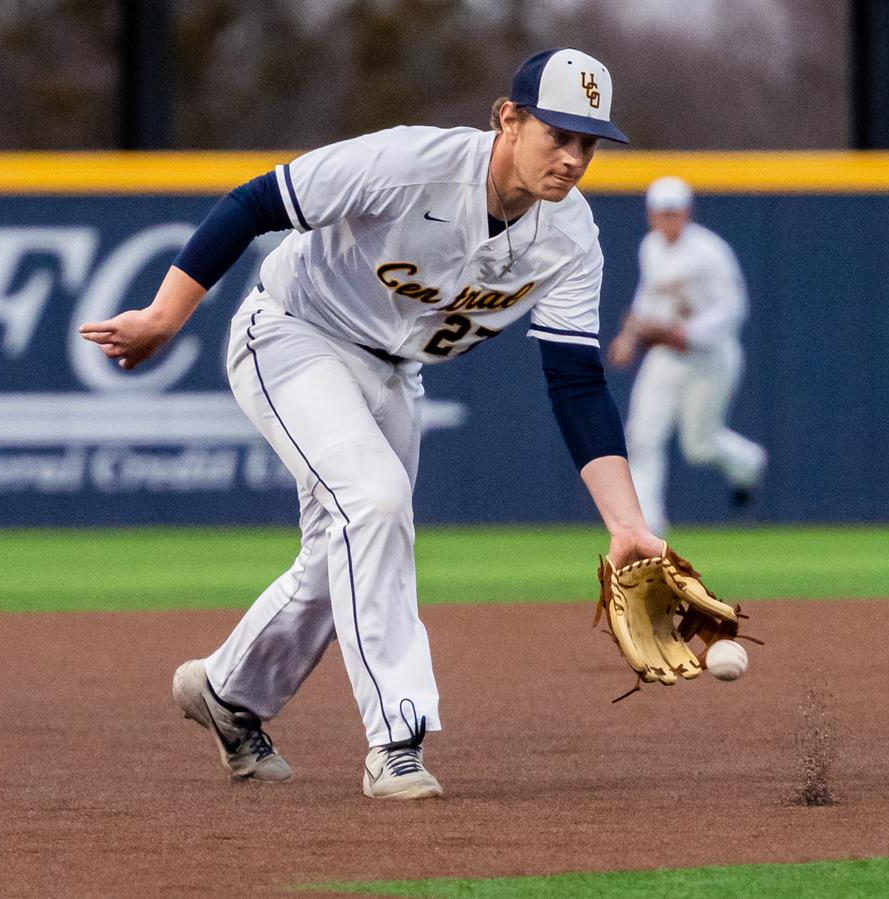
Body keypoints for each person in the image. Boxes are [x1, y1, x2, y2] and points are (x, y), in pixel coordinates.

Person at [79, 49, 662, 801]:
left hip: (393, 372)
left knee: (344, 556)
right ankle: (397, 738)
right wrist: (165, 315)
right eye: (559, 134)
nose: (575, 157)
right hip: (291, 333)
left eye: (590, 143)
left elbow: (576, 379)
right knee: (377, 502)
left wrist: (626, 523)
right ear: (507, 119)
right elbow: (258, 200)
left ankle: (226, 693)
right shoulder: (409, 163)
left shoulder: (570, 237)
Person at [606, 177, 768, 536]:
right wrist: (629, 338)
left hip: (709, 357)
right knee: (642, 435)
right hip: (665, 356)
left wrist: (687, 333)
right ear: (651, 215)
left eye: (674, 213)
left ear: (687, 213)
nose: (667, 220)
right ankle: (649, 525)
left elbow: (733, 308)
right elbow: (646, 301)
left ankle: (748, 463)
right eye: (661, 214)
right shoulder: (650, 247)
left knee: (699, 445)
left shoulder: (709, 251)